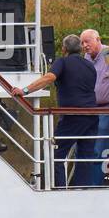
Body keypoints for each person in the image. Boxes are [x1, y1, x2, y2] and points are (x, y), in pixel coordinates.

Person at [19, 34, 97, 188]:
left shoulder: (62, 62)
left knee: (56, 154)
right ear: (81, 48)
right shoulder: (90, 66)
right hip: (92, 115)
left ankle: (60, 190)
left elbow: (49, 77)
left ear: (64, 49)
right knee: (85, 156)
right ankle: (84, 189)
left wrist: (25, 90)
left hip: (72, 117)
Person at [80, 29, 109, 186]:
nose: (85, 45)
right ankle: (85, 183)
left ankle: (95, 185)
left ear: (98, 39)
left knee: (100, 148)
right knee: (85, 146)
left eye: (88, 41)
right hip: (90, 108)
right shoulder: (87, 57)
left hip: (106, 108)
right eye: (82, 42)